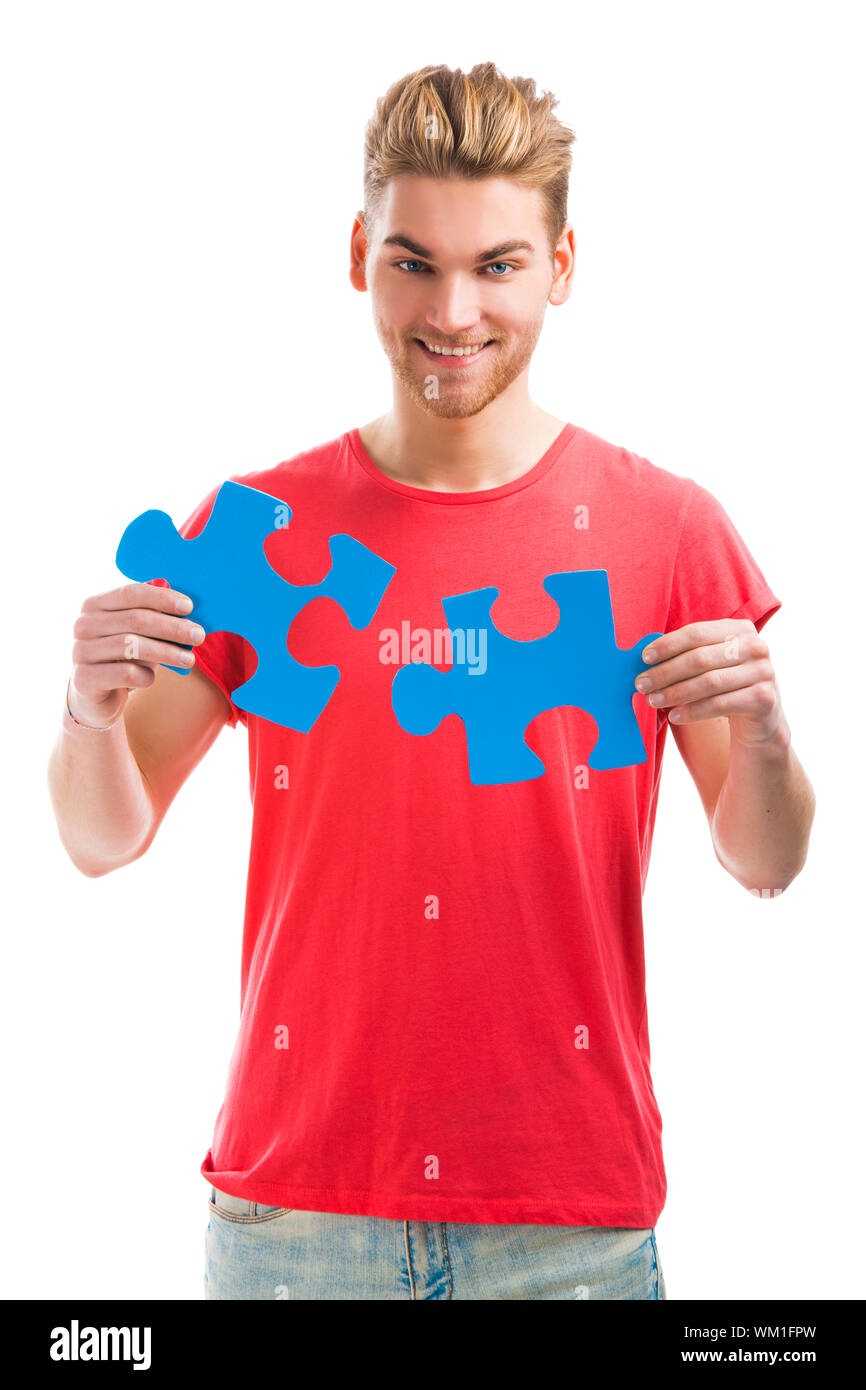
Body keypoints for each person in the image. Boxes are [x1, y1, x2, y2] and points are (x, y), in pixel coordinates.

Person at [46, 62, 815, 1301]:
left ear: (561, 266)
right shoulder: (258, 534)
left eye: (498, 265)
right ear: (359, 252)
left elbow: (766, 860)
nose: (452, 310)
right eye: (414, 260)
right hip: (294, 1217)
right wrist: (84, 715)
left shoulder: (666, 533)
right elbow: (98, 837)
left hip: (567, 1221)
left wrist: (768, 734)